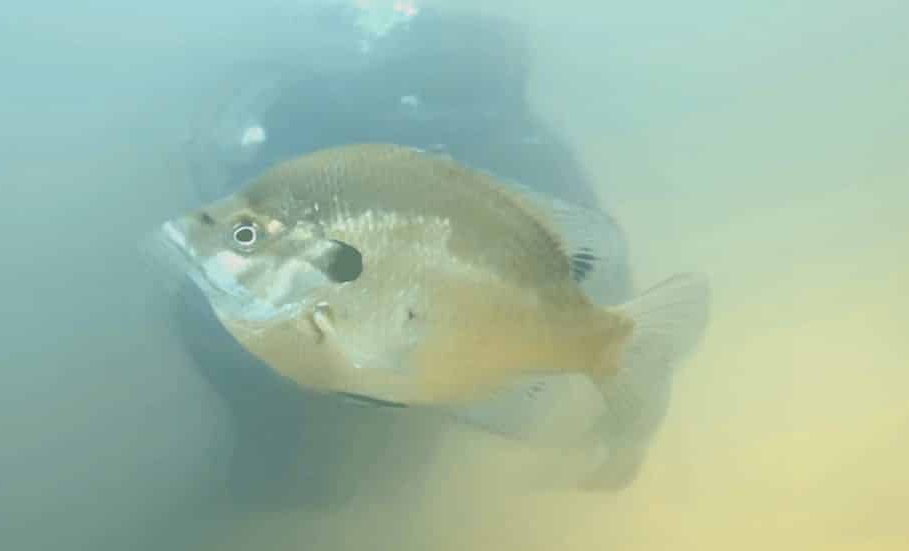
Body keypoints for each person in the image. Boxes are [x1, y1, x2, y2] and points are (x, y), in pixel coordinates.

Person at [171, 1, 669, 504]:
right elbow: (605, 273)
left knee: (367, 456)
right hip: (368, 366)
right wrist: (626, 426)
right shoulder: (520, 140)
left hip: (403, 368)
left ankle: (324, 493)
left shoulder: (318, 109)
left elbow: (599, 279)